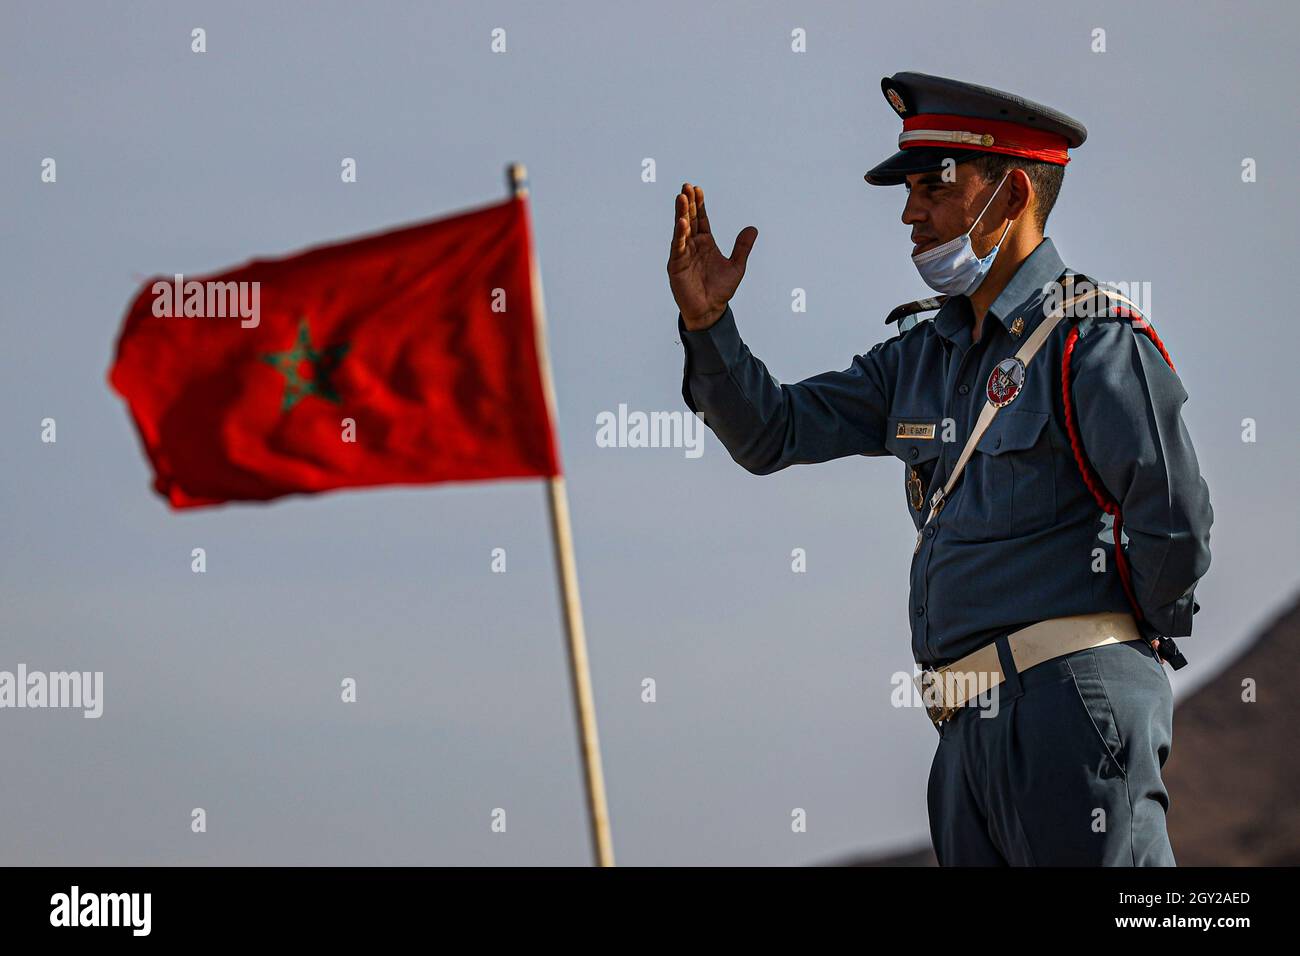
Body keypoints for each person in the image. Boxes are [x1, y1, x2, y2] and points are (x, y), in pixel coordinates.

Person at [666, 71, 1213, 866]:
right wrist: (707, 324)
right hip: (963, 731)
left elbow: (1175, 523)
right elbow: (771, 433)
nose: (910, 213)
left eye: (934, 187)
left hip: (1071, 706)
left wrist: (1108, 654)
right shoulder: (921, 357)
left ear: (1014, 191)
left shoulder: (1092, 342)